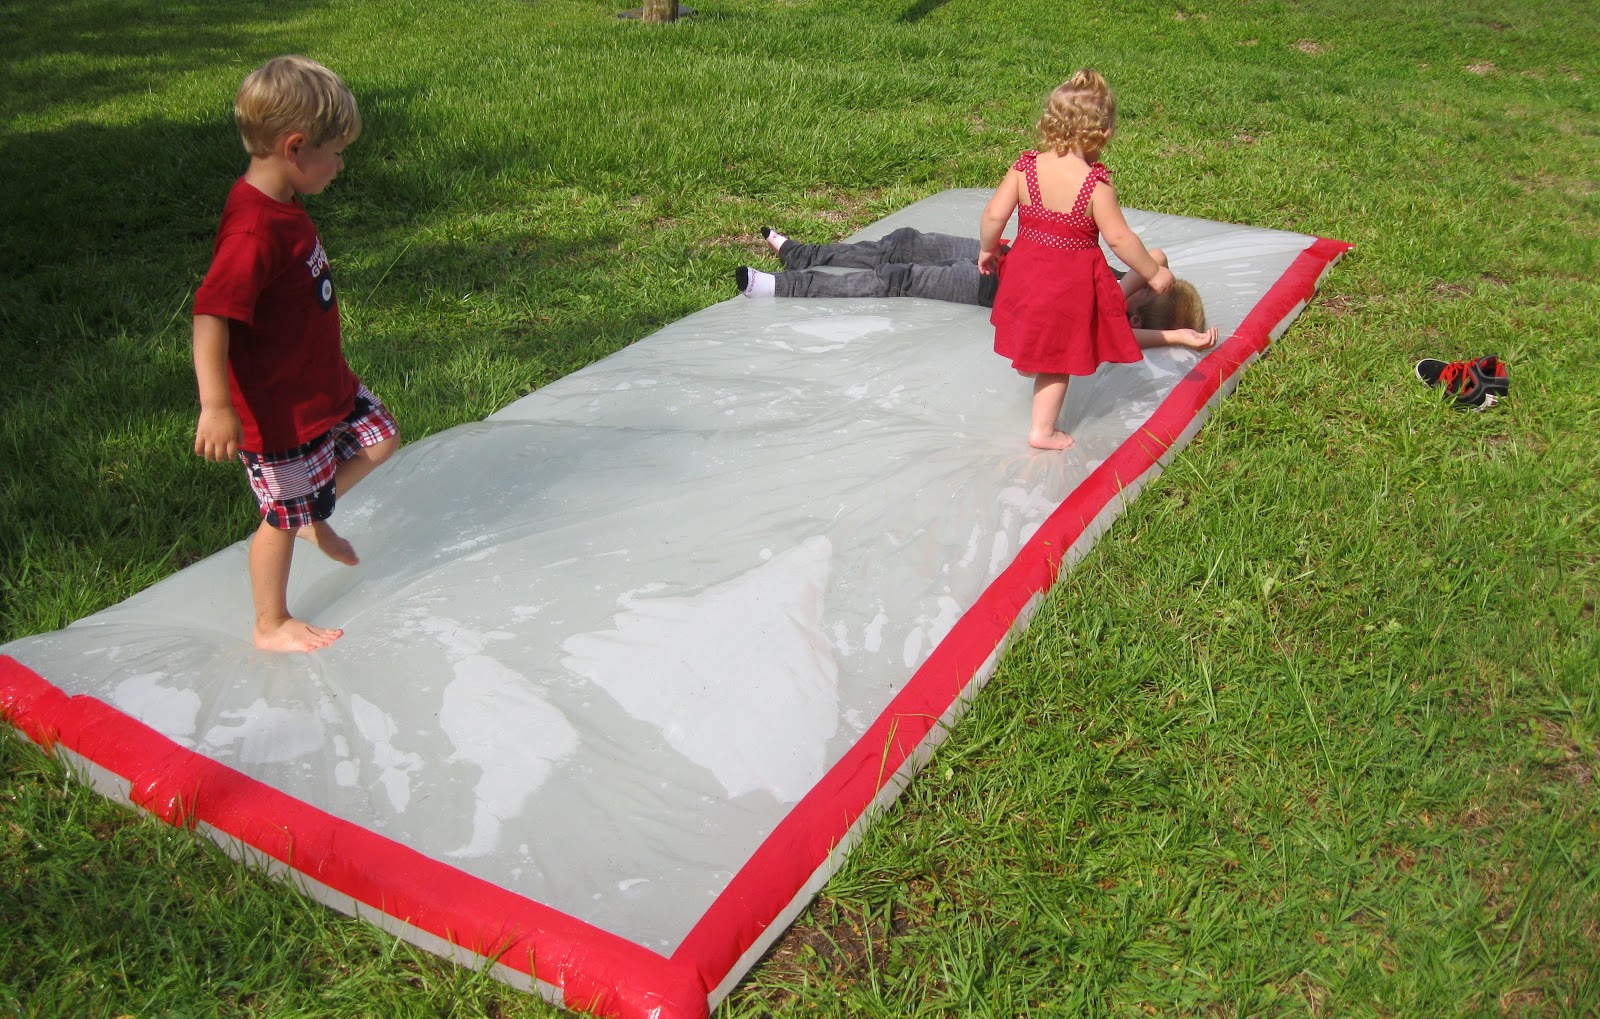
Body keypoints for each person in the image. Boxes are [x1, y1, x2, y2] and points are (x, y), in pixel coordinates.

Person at [191, 55, 399, 652]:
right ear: (295, 146)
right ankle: (269, 622)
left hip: (318, 383)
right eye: (335, 152)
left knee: (382, 438)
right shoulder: (253, 231)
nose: (340, 165)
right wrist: (216, 405)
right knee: (276, 522)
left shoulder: (278, 201)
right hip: (278, 413)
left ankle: (312, 512)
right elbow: (210, 316)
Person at [979, 68, 1177, 449]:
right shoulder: (1095, 186)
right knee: (1056, 363)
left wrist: (988, 248)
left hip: (1024, 273)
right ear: (1104, 134)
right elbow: (1119, 238)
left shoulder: (1025, 168)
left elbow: (993, 216)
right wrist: (1153, 273)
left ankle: (1030, 362)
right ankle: (1042, 431)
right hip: (1068, 286)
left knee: (1034, 327)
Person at [736, 225, 1216, 352]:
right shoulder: (1124, 282)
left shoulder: (1110, 314)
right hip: (1000, 252)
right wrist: (1153, 284)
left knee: (897, 278)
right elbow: (1158, 259)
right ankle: (803, 254)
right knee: (905, 244)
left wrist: (1173, 336)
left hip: (986, 287)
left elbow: (1129, 336)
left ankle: (783, 286)